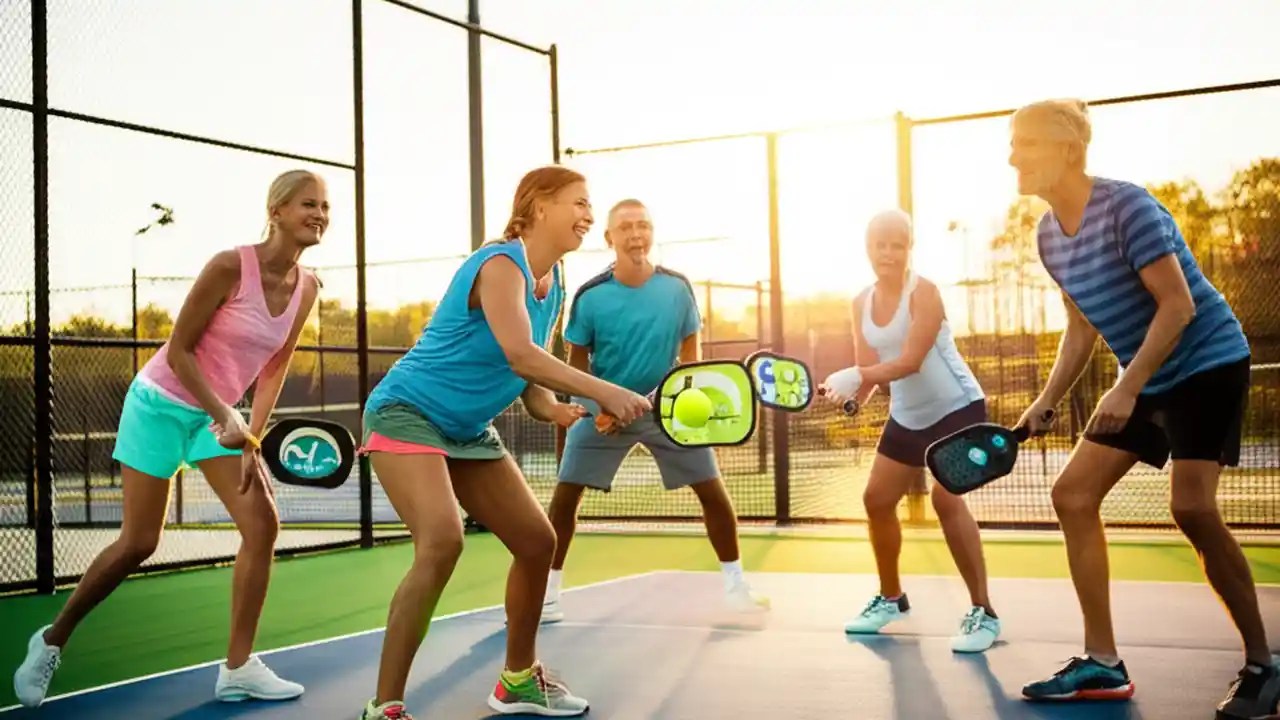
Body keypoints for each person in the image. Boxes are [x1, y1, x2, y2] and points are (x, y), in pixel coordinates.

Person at [13, 169, 326, 707]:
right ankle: (51, 640)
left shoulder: (309, 287)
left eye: (324, 206)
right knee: (139, 542)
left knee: (262, 525)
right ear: (275, 211)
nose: (319, 214)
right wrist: (225, 414)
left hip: (215, 418)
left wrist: (251, 436)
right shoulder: (230, 266)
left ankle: (238, 669)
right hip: (159, 404)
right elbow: (179, 350)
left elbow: (276, 365)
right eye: (308, 204)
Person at [1008, 98, 1278, 717]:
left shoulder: (1126, 206)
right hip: (1146, 373)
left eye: (1026, 143)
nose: (1013, 157)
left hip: (1207, 360)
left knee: (1192, 507)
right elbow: (1080, 328)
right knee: (1072, 495)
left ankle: (1264, 665)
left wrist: (1127, 386)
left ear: (1068, 149)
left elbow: (1178, 306)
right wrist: (1047, 401)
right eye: (1013, 144)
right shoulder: (1047, 235)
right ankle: (1102, 662)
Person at [355, 166, 651, 720]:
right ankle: (385, 707)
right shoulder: (499, 265)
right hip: (407, 412)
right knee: (442, 542)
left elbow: (528, 377)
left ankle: (517, 681)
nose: (589, 215)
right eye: (579, 203)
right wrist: (607, 390)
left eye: (590, 205)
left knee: (537, 542)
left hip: (467, 429)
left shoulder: (552, 281)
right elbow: (520, 353)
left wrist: (562, 409)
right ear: (539, 206)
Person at [542, 199, 770, 623]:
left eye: (643, 226)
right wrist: (599, 408)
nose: (636, 234)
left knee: (713, 493)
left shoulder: (677, 288)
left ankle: (737, 587)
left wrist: (684, 400)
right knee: (565, 499)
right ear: (609, 238)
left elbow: (690, 350)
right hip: (604, 412)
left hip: (669, 411)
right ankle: (548, 595)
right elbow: (576, 365)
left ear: (651, 233)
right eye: (625, 227)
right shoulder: (590, 296)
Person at [819, 209, 1002, 654]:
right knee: (877, 500)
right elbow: (871, 372)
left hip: (957, 407)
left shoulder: (925, 293)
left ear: (909, 248)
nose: (888, 252)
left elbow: (911, 361)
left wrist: (856, 374)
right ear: (868, 248)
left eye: (897, 244)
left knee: (946, 499)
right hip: (909, 414)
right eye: (880, 244)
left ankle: (984, 612)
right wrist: (848, 396)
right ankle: (891, 598)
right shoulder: (860, 302)